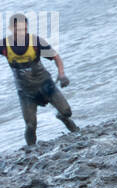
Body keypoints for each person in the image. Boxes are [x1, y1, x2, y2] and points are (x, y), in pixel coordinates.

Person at [0, 13, 78, 147]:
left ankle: (74, 131)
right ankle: (31, 151)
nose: (22, 33)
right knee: (30, 125)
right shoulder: (4, 46)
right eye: (18, 30)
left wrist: (62, 74)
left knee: (66, 112)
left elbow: (56, 57)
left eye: (24, 29)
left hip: (46, 86)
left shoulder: (36, 42)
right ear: (11, 29)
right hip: (25, 92)